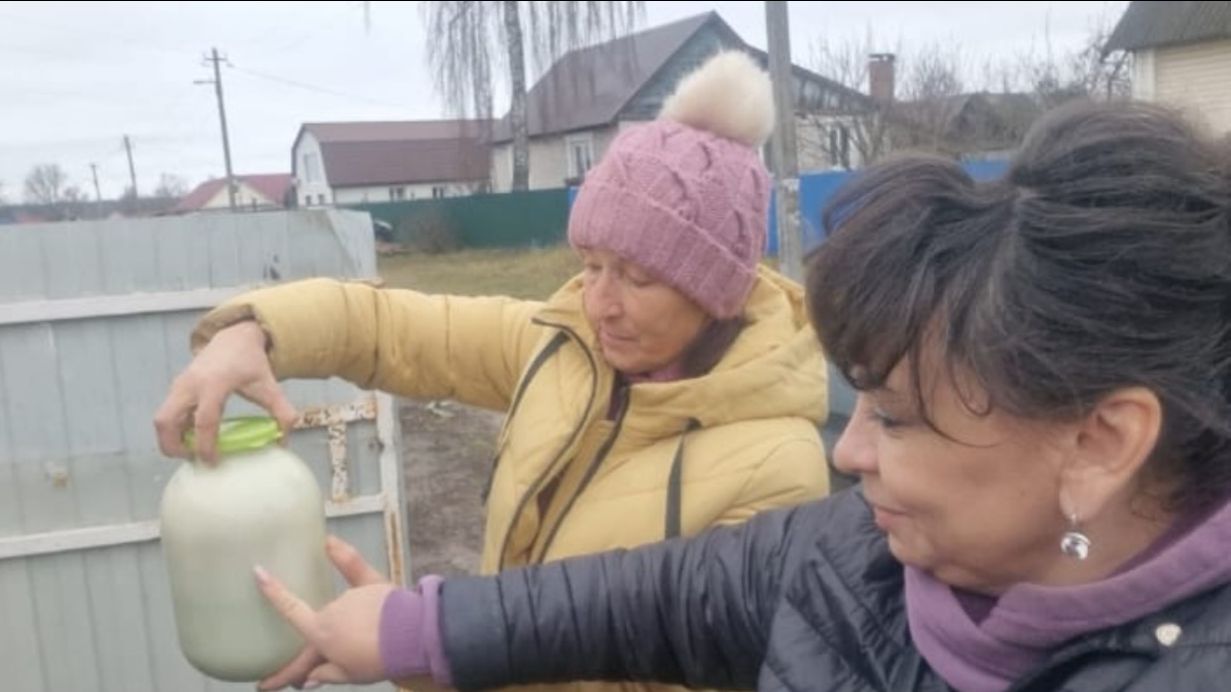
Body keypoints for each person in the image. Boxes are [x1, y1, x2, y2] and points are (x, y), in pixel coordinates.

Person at [247, 99, 1231, 692]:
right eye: (588, 264)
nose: (850, 453)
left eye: (893, 415)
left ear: (1100, 441)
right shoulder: (865, 554)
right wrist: (413, 626)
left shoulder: (782, 466)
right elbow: (649, 594)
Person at [154, 50, 830, 692]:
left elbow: (674, 667)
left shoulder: (777, 466)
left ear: (714, 290)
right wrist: (254, 332)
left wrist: (428, 643)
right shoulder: (562, 348)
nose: (599, 303)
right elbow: (393, 328)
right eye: (590, 264)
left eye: (637, 276)